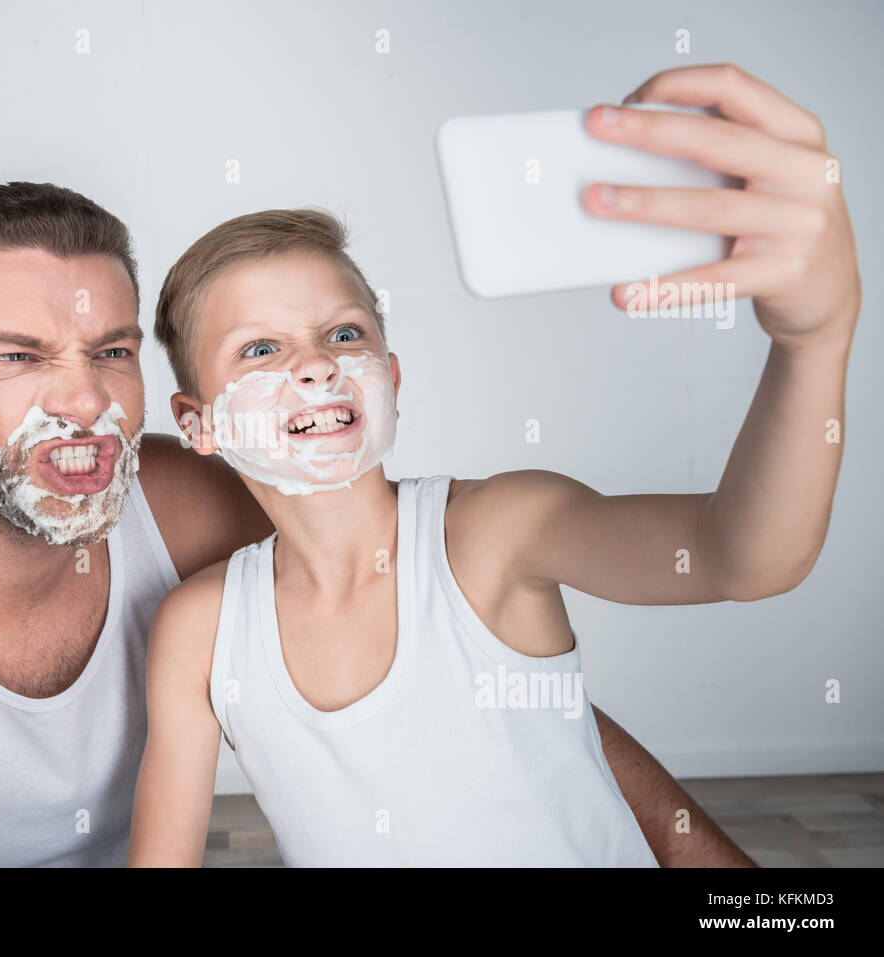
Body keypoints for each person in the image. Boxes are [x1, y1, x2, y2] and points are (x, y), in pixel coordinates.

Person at [0, 70, 791, 866]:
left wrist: (716, 873)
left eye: (108, 351)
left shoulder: (188, 498)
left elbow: (492, 673)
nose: (80, 399)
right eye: (16, 356)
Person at [126, 65, 858, 865]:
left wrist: (811, 343)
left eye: (343, 334)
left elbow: (743, 555)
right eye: (260, 348)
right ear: (197, 425)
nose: (313, 365)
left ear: (391, 379)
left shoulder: (492, 534)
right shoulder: (201, 631)